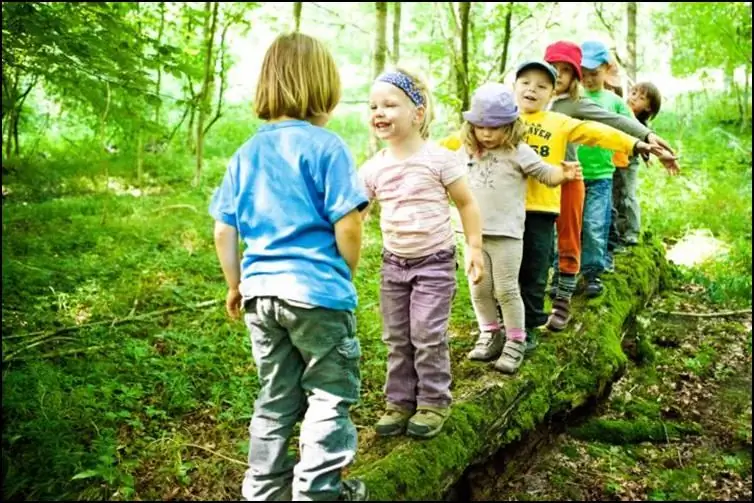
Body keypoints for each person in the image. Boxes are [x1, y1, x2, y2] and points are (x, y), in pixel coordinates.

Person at [208, 32, 369, 502]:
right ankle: (318, 491)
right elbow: (350, 223)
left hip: (261, 295)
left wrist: (235, 285)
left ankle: (262, 490)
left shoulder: (245, 154)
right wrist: (344, 270)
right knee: (328, 394)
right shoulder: (326, 146)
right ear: (324, 88)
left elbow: (224, 230)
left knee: (275, 396)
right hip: (316, 292)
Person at [441, 60, 657, 356]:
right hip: (498, 215)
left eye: (542, 85)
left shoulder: (558, 121)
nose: (532, 89)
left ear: (552, 91)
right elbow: (449, 144)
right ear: (514, 87)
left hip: (539, 210)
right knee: (497, 276)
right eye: (525, 83)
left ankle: (527, 329)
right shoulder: (494, 122)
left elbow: (597, 131)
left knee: (533, 270)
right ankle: (499, 330)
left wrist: (637, 143)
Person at [360, 67, 485, 439]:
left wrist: (474, 247)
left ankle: (433, 401)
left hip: (434, 263)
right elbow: (355, 214)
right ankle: (399, 402)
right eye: (373, 106)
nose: (379, 112)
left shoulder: (440, 159)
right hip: (393, 264)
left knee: (427, 334)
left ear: (417, 112)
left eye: (389, 104)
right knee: (396, 337)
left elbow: (466, 203)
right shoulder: (372, 169)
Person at [542, 40, 679, 330]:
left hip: (574, 178)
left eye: (565, 71)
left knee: (586, 226)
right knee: (550, 235)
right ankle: (551, 284)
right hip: (541, 184)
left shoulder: (574, 103)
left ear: (575, 77)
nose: (557, 76)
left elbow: (614, 120)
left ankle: (586, 277)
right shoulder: (534, 99)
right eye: (552, 69)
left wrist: (647, 136)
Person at [457, 82, 582, 373]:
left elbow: (545, 174)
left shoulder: (518, 151)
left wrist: (562, 173)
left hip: (507, 236)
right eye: (480, 126)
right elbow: (448, 176)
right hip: (473, 236)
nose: (487, 133)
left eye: (495, 127)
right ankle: (490, 333)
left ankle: (516, 340)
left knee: (507, 290)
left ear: (510, 126)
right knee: (479, 288)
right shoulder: (466, 152)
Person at [576, 40, 677, 299]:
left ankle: (594, 271)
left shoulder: (614, 101)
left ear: (606, 70)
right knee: (573, 224)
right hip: (572, 173)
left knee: (596, 222)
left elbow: (631, 126)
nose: (588, 79)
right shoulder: (571, 98)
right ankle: (570, 271)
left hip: (601, 173)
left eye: (594, 73)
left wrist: (654, 147)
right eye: (583, 73)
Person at [611, 81, 665, 251]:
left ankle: (632, 231)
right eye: (633, 93)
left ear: (648, 108)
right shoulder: (620, 110)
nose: (634, 98)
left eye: (641, 98)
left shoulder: (639, 123)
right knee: (613, 196)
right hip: (612, 160)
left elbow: (644, 138)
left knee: (627, 195)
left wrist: (646, 155)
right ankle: (617, 232)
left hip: (629, 161)